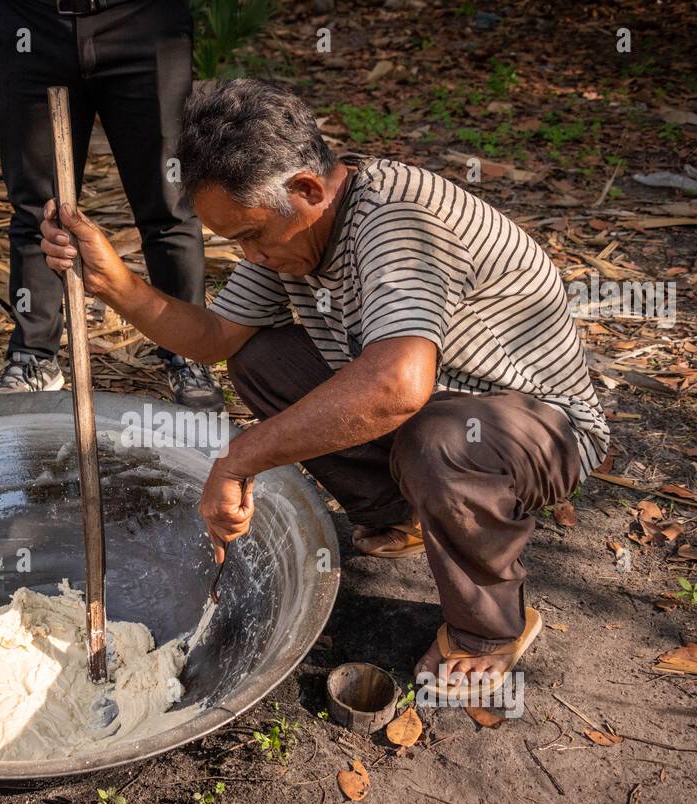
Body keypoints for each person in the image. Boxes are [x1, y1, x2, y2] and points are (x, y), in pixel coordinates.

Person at [37, 78, 610, 699]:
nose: (249, 255)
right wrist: (115, 284)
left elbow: (398, 384)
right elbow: (217, 338)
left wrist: (240, 459)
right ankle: (406, 512)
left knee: (438, 441)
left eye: (252, 235)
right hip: (433, 414)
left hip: (539, 428)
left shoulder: (397, 221)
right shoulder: (297, 230)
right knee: (261, 360)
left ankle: (489, 628)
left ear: (307, 190)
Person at [0, 0, 222, 409]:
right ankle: (33, 357)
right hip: (29, 21)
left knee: (170, 203)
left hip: (142, 20)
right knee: (37, 208)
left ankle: (188, 351)